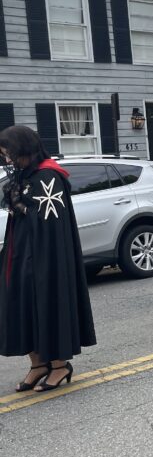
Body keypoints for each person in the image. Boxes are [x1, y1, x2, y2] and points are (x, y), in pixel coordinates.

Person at [0, 125, 96, 391]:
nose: (7, 160)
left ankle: (59, 366)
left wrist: (21, 205)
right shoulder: (25, 175)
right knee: (20, 308)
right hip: (20, 256)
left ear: (24, 148)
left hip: (44, 258)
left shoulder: (49, 176)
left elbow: (49, 224)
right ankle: (38, 364)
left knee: (47, 305)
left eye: (10, 153)